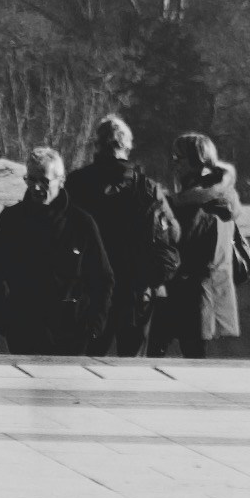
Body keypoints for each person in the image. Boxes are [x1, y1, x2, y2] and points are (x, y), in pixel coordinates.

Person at [68, 117, 181, 359]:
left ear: (96, 146)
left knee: (88, 358)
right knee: (132, 361)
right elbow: (173, 232)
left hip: (92, 287)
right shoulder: (147, 188)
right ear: (127, 147)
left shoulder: (77, 184)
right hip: (136, 288)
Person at [0, 147, 93, 358]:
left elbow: (102, 277)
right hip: (24, 328)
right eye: (30, 180)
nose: (36, 187)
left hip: (71, 332)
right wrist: (3, 319)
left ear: (61, 180)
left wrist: (93, 326)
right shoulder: (11, 221)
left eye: (43, 180)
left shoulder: (81, 223)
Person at [167, 138, 250, 357]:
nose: (174, 163)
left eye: (179, 158)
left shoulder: (197, 203)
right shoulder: (223, 197)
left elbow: (181, 243)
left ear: (197, 162)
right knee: (196, 355)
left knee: (185, 355)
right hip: (209, 290)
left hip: (189, 292)